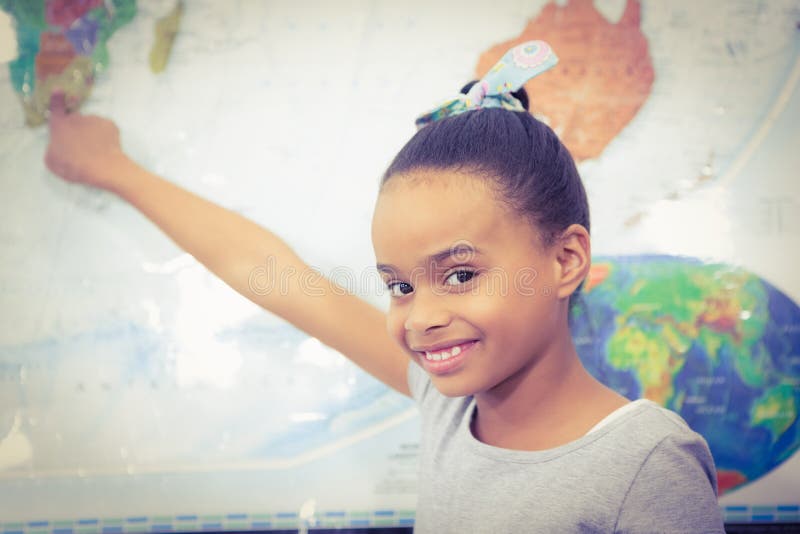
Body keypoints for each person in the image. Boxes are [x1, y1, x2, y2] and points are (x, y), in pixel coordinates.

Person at [45, 41, 725, 533]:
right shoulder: (446, 405)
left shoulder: (646, 464)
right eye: (399, 286)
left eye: (459, 275)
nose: (420, 317)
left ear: (566, 259)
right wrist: (115, 171)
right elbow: (277, 278)